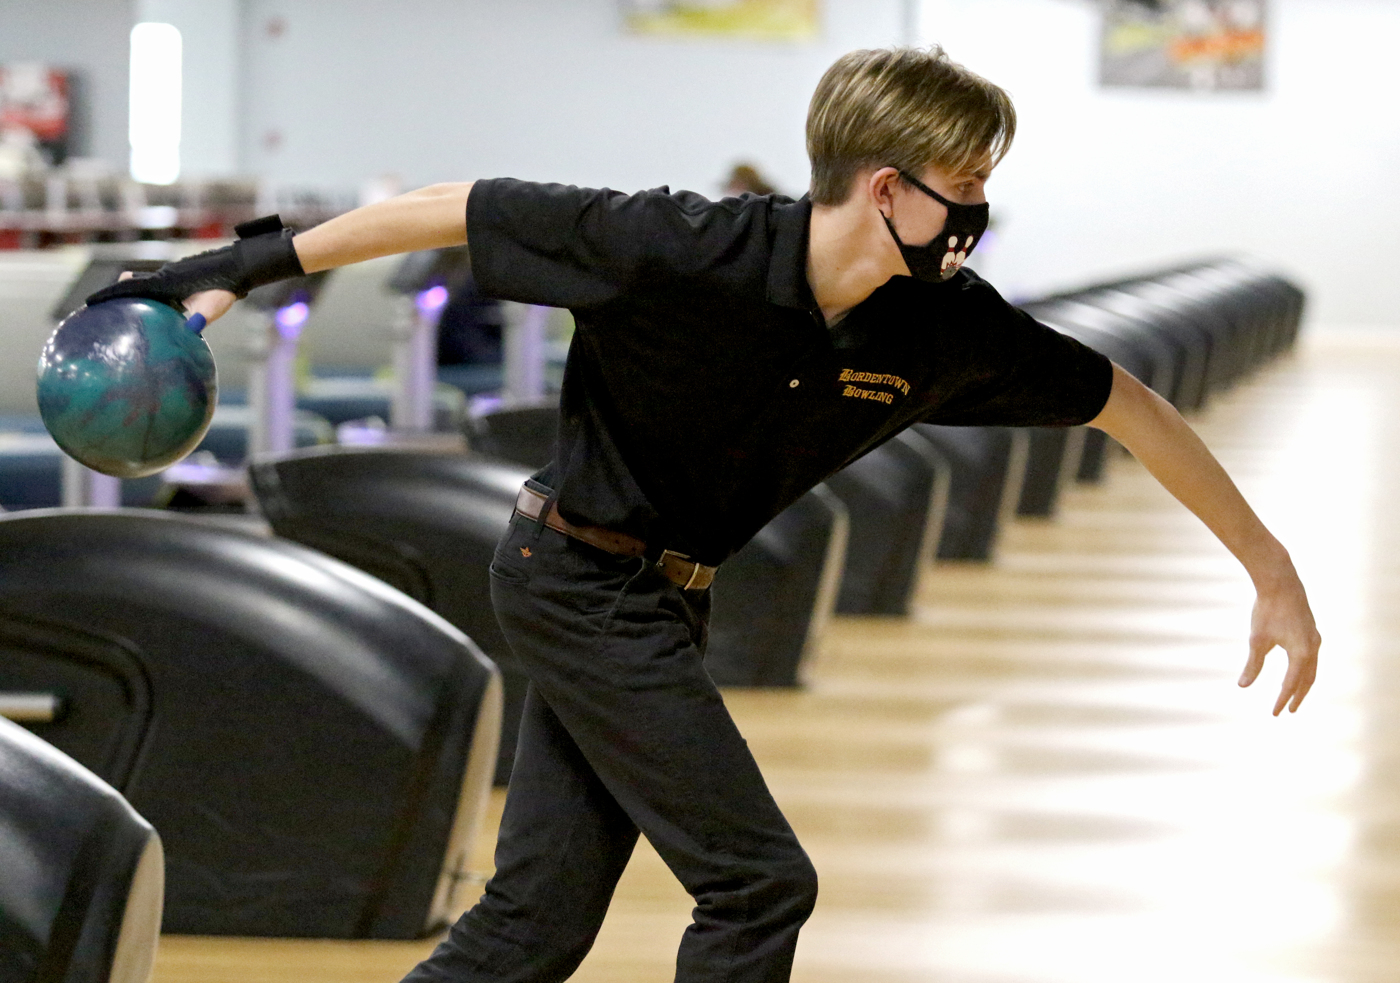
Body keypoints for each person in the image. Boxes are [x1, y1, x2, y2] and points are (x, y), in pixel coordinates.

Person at [91, 45, 1319, 983]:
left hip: (668, 600)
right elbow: (460, 207)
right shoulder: (676, 247)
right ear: (885, 188)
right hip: (573, 574)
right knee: (756, 882)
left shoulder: (944, 329)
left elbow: (1131, 406)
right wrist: (238, 268)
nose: (977, 216)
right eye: (964, 189)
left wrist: (1270, 571)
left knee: (533, 924)